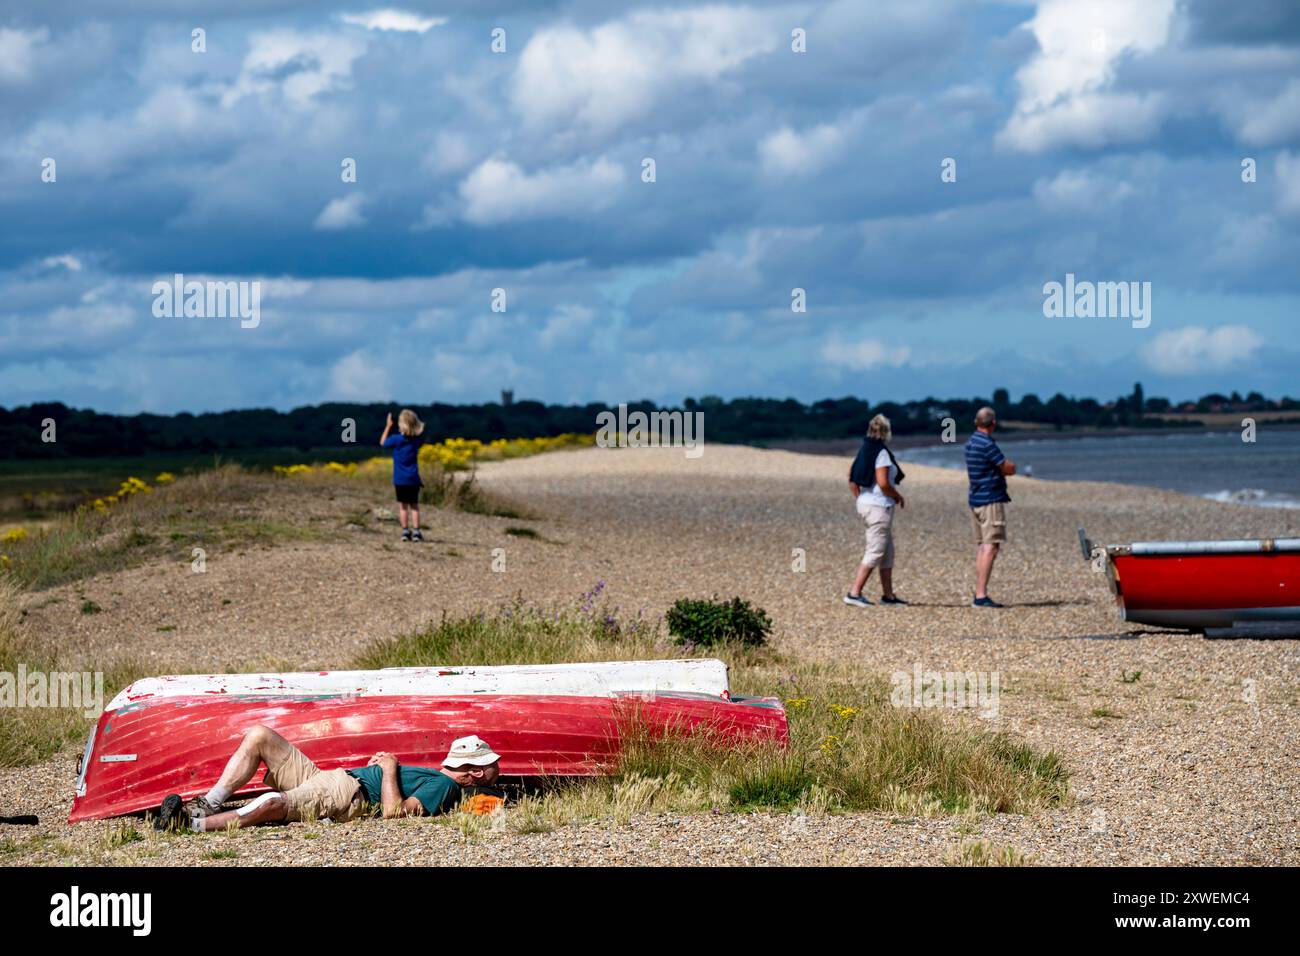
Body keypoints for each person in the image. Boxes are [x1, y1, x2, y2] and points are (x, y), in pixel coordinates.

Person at [154, 728, 501, 832]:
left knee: (273, 804)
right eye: (492, 764)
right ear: (477, 770)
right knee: (260, 736)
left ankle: (191, 824)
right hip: (333, 778)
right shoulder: (442, 781)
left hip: (346, 792)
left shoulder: (446, 787)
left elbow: (393, 813)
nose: (496, 767)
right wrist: (384, 770)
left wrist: (390, 769)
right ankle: (208, 802)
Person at [844, 414, 907, 607]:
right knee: (875, 550)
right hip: (879, 506)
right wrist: (897, 495)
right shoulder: (881, 453)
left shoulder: (864, 450)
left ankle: (888, 595)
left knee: (887, 552)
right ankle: (854, 593)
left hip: (867, 503)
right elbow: (883, 482)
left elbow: (851, 478)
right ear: (887, 432)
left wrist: (861, 499)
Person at [965, 406, 1016, 608]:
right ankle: (980, 594)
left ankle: (979, 592)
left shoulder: (970, 443)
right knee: (991, 547)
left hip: (976, 498)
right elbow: (1006, 467)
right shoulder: (987, 444)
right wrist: (1011, 467)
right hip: (990, 500)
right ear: (993, 423)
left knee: (982, 546)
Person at [380, 409, 425, 542]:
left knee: (403, 507)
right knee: (415, 506)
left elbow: (383, 443)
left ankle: (405, 531)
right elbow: (417, 438)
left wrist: (388, 426)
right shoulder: (416, 441)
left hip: (400, 480)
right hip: (413, 479)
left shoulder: (396, 440)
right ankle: (416, 532)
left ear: (401, 425)